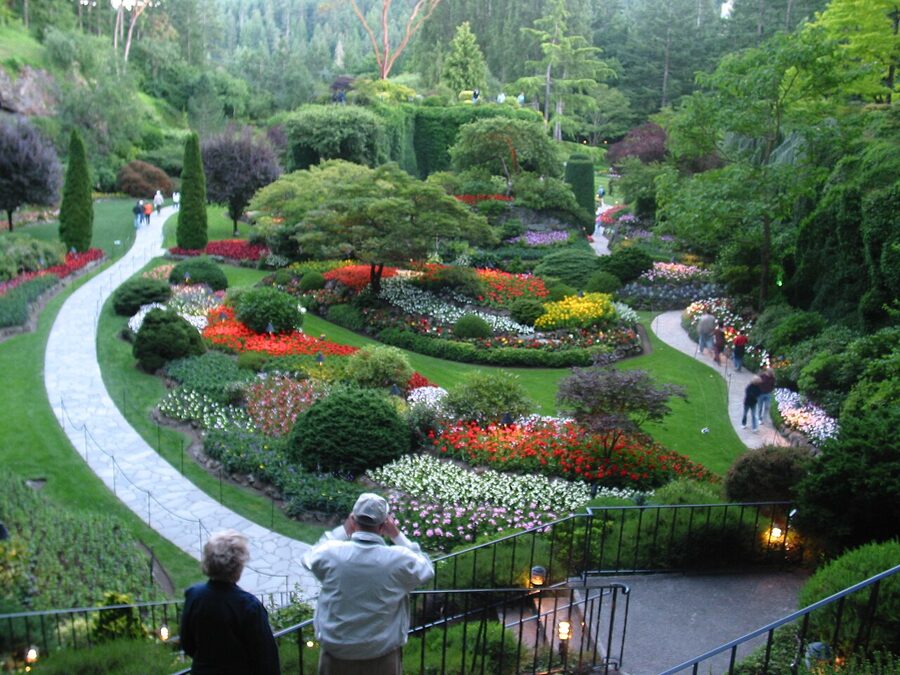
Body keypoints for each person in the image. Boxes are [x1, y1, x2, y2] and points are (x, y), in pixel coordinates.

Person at [302, 493, 434, 674]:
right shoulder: (398, 560)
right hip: (382, 659)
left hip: (335, 658)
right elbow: (426, 568)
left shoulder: (331, 553)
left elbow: (309, 556)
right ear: (384, 525)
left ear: (353, 521)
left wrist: (343, 530)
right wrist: (397, 535)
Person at [180, 530, 280, 675]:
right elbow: (267, 661)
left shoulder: (194, 596)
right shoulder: (248, 606)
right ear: (238, 566)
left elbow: (188, 644)